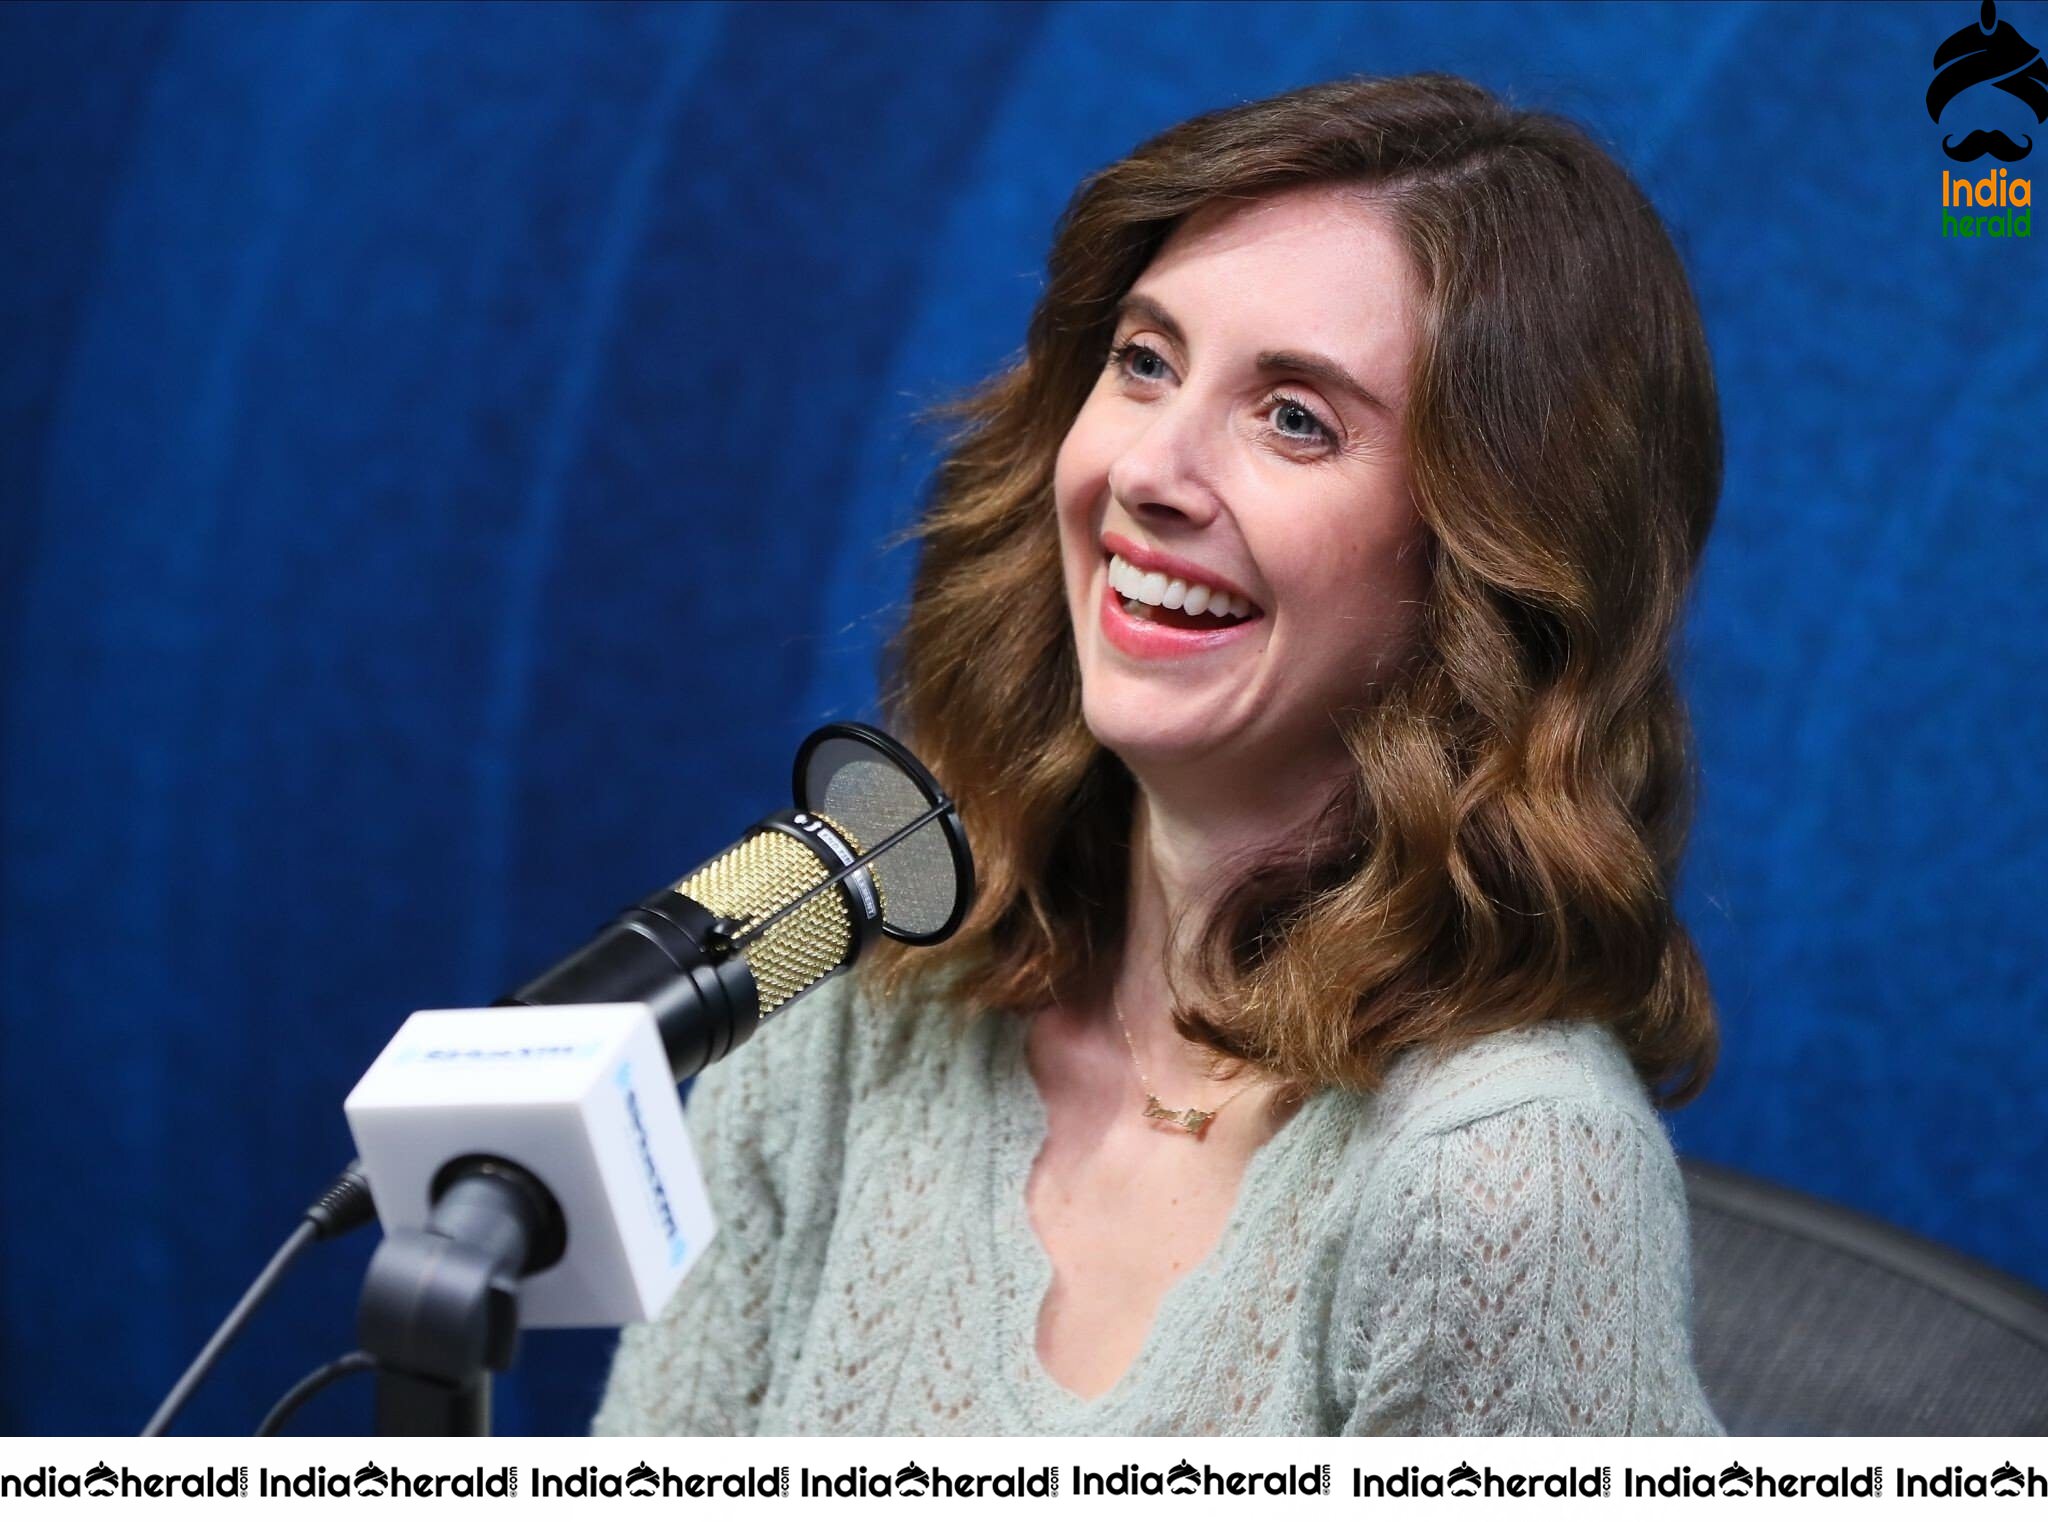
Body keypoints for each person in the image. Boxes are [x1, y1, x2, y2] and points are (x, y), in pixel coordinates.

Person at [593, 71, 1727, 1437]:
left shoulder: (1507, 1179)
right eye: (1144, 362)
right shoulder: (852, 1012)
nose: (1151, 472)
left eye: (1295, 417)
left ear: (1485, 566)